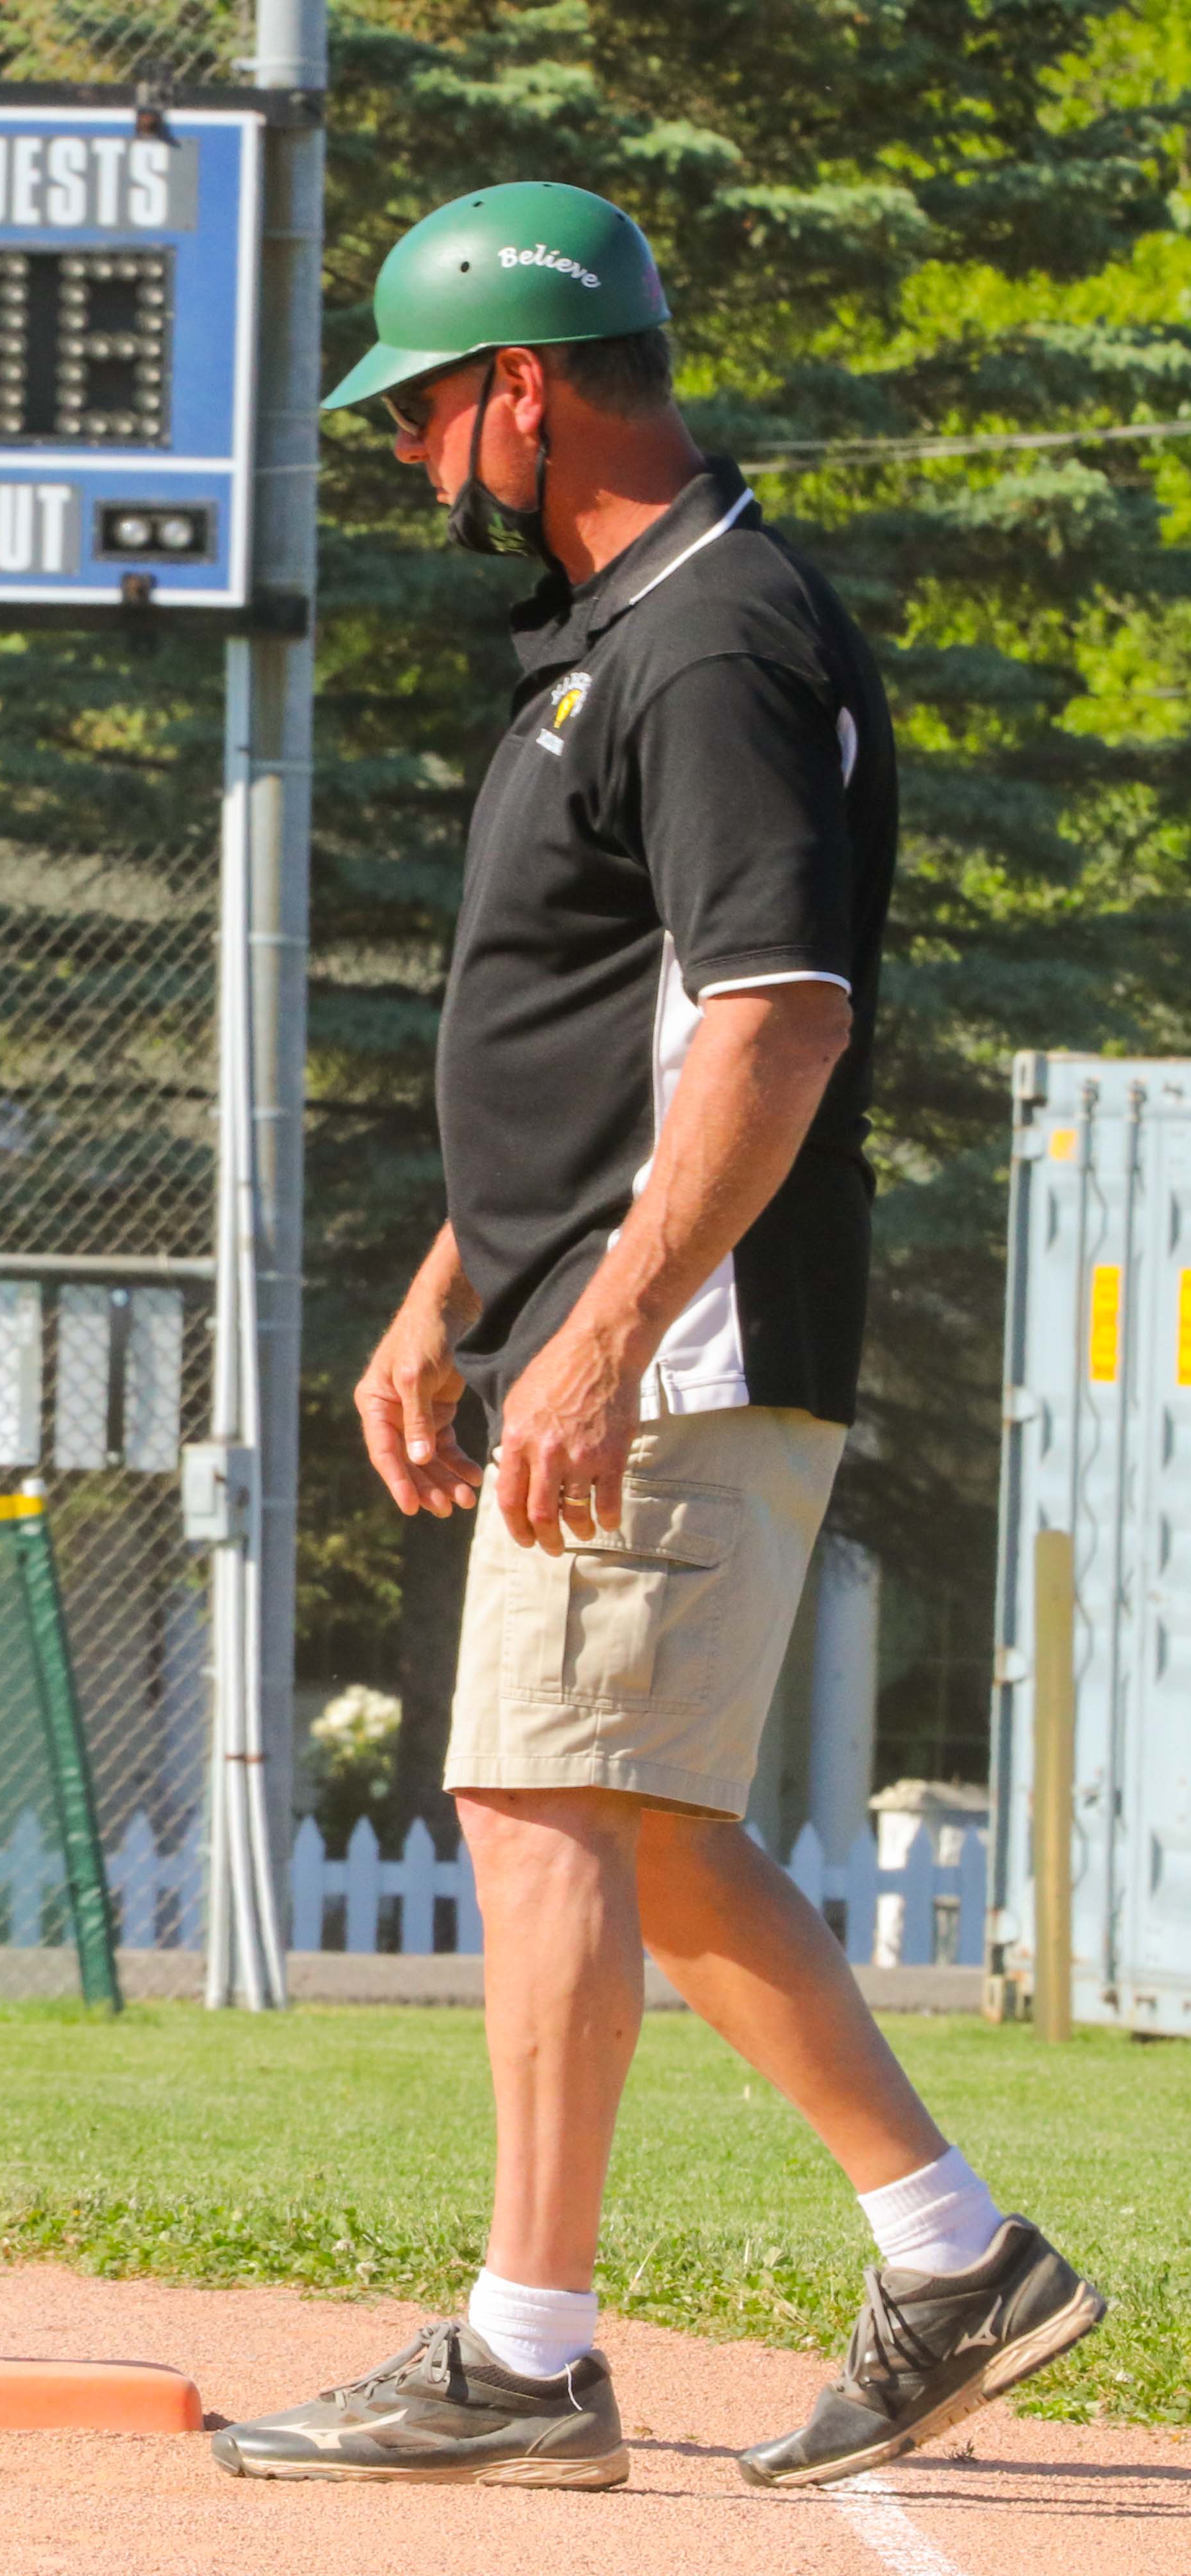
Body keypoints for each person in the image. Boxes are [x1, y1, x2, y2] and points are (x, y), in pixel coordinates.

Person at [212, 183, 1103, 2491]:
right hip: (622, 1311)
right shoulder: (629, 629)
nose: (415, 461)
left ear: (524, 384)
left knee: (537, 1800)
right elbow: (611, 1039)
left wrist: (599, 1339)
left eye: (425, 412)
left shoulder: (708, 644)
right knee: (642, 1812)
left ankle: (525, 2354)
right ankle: (950, 2254)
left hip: (678, 1338)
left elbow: (773, 1027)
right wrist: (452, 1292)